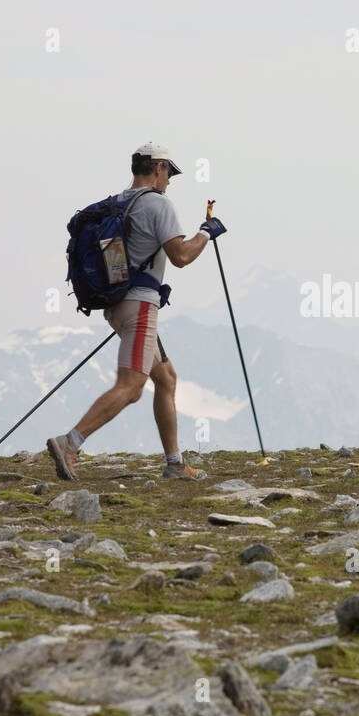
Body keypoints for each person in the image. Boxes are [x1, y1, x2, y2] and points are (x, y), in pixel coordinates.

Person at [47, 143, 227, 480]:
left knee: (166, 377)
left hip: (117, 305)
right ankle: (69, 443)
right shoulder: (159, 204)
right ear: (157, 168)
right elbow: (181, 256)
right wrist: (206, 232)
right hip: (140, 307)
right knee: (131, 387)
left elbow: (116, 263)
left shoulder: (117, 204)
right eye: (169, 173)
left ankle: (175, 464)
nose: (170, 181)